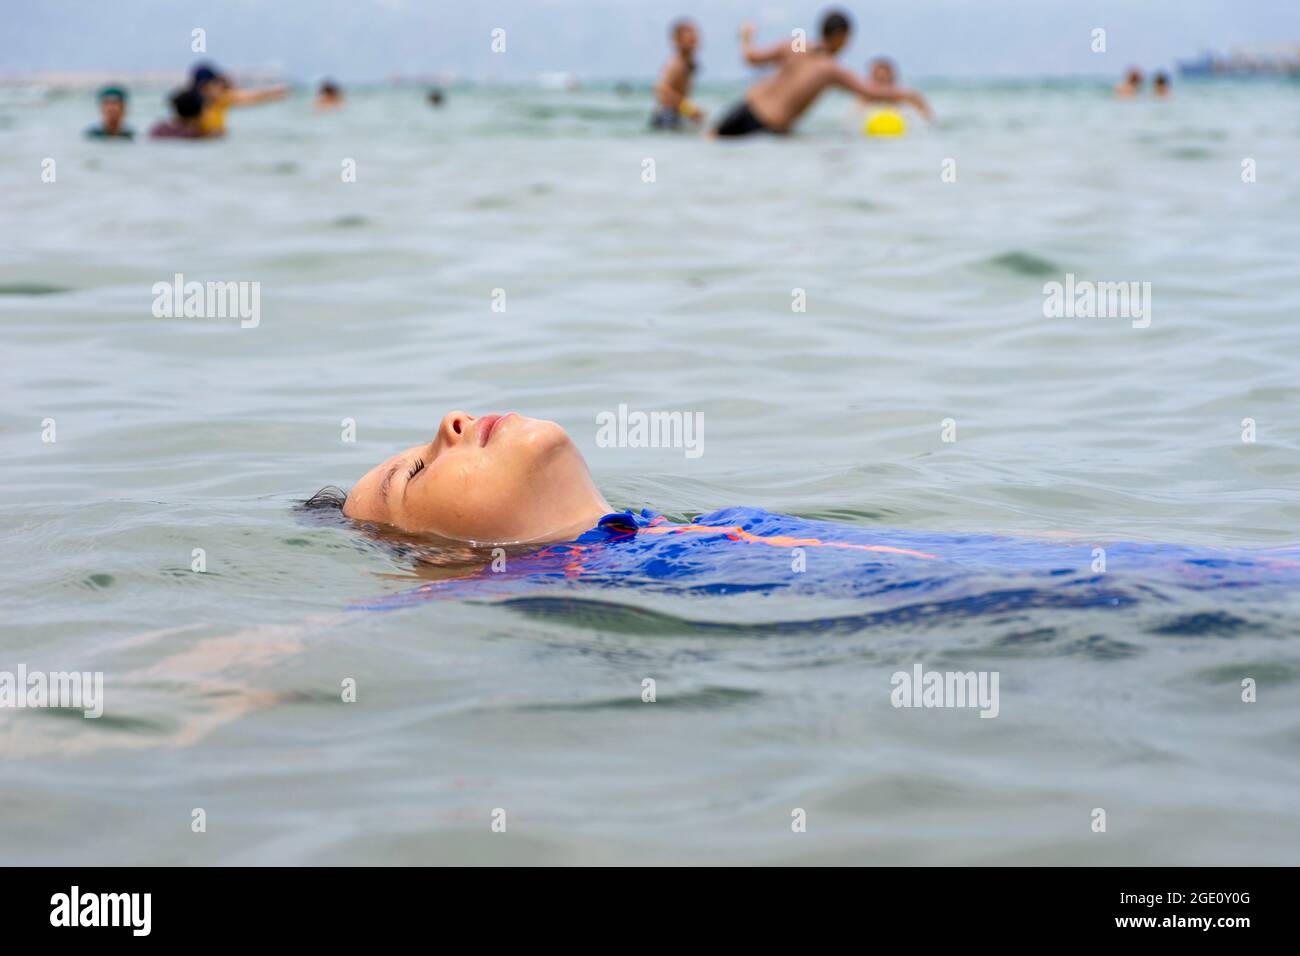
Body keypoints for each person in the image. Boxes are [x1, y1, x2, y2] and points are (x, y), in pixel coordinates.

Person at [304, 410, 1300, 609]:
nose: (449, 421)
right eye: (411, 472)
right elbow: (280, 649)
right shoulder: (523, 575)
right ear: (439, 554)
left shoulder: (675, 523)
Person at [713, 9, 930, 137]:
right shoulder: (830, 69)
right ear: (840, 36)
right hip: (768, 126)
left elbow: (751, 58)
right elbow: (871, 91)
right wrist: (909, 95)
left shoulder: (795, 45)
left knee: (712, 143)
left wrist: (746, 36)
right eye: (848, 39)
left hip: (744, 108)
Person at [189, 62, 290, 137]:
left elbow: (250, 96)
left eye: (215, 85)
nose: (212, 90)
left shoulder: (222, 99)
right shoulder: (192, 102)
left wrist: (271, 93)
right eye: (206, 87)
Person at [651, 18, 705, 130]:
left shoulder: (688, 62)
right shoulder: (677, 64)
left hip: (674, 113)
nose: (694, 37)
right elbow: (661, 90)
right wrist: (689, 109)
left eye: (695, 35)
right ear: (677, 41)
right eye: (689, 36)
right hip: (667, 115)